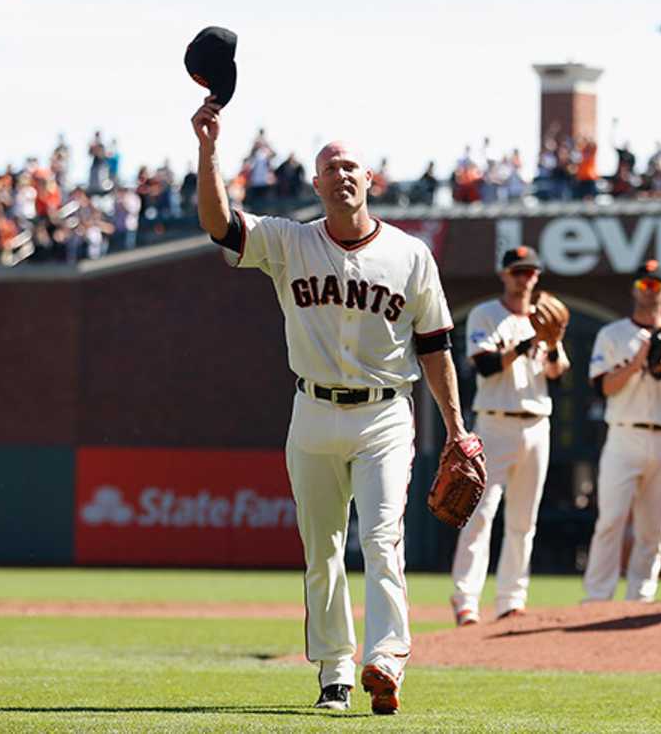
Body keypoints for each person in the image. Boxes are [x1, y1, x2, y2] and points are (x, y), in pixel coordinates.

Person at [191, 95, 473, 715]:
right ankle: (334, 672)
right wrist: (209, 147)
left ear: (368, 180)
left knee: (380, 537)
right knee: (321, 549)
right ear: (316, 183)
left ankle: (387, 659)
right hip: (312, 411)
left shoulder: (410, 253)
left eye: (352, 166)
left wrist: (457, 429)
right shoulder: (289, 242)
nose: (342, 175)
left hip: (384, 414)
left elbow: (435, 348)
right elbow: (219, 224)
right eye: (331, 167)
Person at [450, 246, 571, 626]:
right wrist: (525, 341)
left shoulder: (543, 320)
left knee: (524, 519)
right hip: (495, 423)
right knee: (481, 514)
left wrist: (550, 342)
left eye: (531, 272)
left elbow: (557, 373)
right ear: (504, 274)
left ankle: (511, 599)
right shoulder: (487, 315)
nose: (525, 278)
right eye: (518, 271)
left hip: (537, 423)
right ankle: (466, 599)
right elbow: (484, 366)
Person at [582, 260, 661, 602]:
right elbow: (603, 387)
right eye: (643, 284)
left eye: (655, 285)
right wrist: (637, 363)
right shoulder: (613, 334)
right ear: (634, 288)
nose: (648, 291)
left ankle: (641, 596)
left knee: (653, 527)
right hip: (623, 434)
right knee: (611, 519)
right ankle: (597, 596)